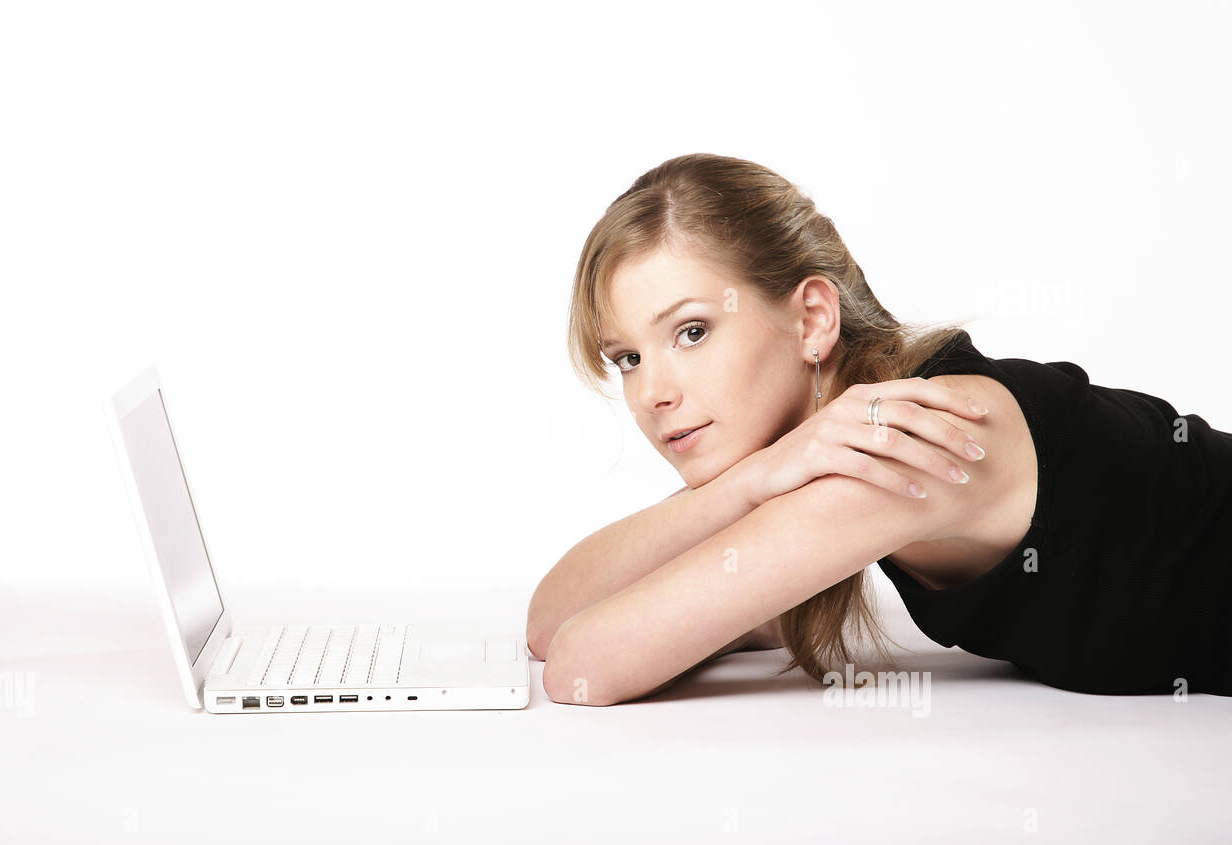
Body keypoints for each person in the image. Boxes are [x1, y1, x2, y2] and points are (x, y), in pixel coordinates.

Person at [527, 153, 1232, 705]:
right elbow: (548, 627)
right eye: (627, 358)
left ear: (812, 320)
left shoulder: (908, 438)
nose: (652, 392)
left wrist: (758, 483)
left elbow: (584, 666)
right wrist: (750, 482)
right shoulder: (817, 458)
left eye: (691, 331)